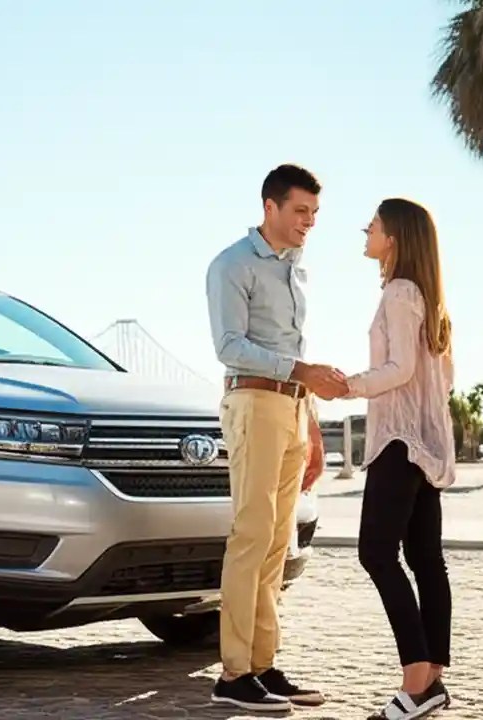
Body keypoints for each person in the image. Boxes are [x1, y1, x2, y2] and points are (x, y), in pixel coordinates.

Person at [204, 163, 347, 713]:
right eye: (300, 211)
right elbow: (229, 346)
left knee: (276, 541)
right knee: (251, 534)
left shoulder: (297, 269)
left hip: (290, 410)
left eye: (314, 213)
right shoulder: (232, 265)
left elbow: (296, 353)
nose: (309, 222)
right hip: (253, 404)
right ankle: (234, 673)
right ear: (270, 207)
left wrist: (309, 423)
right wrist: (301, 372)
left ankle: (263, 665)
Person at [341, 198, 456, 720]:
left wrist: (349, 387)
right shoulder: (428, 298)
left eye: (375, 223)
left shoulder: (400, 291)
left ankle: (416, 679)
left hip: (399, 443)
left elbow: (401, 368)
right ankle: (430, 679)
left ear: (396, 237)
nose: (366, 228)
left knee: (377, 554)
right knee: (426, 559)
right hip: (424, 444)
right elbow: (441, 379)